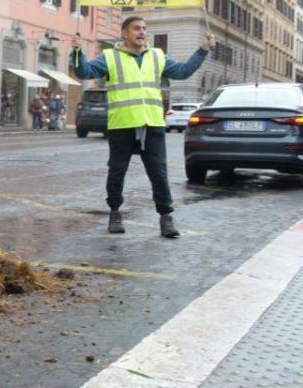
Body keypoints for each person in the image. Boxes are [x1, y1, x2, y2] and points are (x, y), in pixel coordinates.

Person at [72, 16, 214, 238]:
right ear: (124, 33)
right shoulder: (110, 57)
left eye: (144, 28)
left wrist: (203, 50)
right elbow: (84, 72)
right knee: (117, 171)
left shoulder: (157, 56)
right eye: (136, 28)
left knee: (159, 173)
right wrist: (77, 52)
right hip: (123, 124)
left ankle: (166, 217)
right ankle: (115, 213)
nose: (142, 32)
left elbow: (183, 71)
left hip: (152, 124)